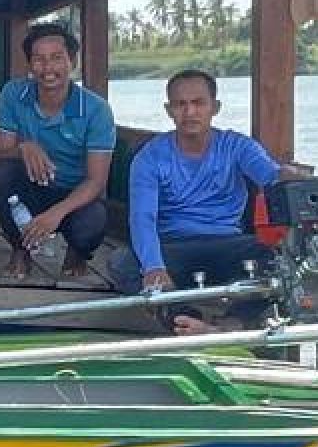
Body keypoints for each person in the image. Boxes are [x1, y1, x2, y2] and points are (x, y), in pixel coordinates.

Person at [114, 69, 285, 333]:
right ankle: (186, 321)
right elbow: (142, 218)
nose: (190, 112)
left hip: (228, 243)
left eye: (198, 103)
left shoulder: (237, 146)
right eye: (181, 104)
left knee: (278, 259)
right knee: (124, 263)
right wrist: (154, 267)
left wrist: (290, 176)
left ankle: (232, 324)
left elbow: (271, 176)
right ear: (169, 110)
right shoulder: (150, 157)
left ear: (214, 107)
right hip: (175, 246)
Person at [0, 22, 117, 277]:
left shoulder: (96, 110)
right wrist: (24, 147)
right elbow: (1, 153)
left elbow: (96, 181)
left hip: (75, 195)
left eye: (57, 58)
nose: (47, 68)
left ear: (72, 61)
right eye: (39, 60)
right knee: (1, 173)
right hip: (32, 190)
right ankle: (20, 249)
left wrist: (57, 213)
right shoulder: (13, 93)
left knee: (93, 222)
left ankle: (77, 252)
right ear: (29, 65)